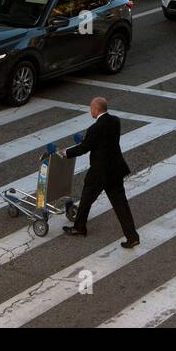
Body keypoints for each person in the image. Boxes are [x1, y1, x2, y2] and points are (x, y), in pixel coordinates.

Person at [61, 96, 139, 248]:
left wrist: (66, 153)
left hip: (100, 173)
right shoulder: (115, 121)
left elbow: (84, 148)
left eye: (91, 108)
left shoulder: (95, 128)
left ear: (96, 110)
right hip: (116, 170)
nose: (90, 110)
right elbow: (102, 142)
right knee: (121, 205)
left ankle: (79, 227)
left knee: (86, 200)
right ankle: (132, 236)